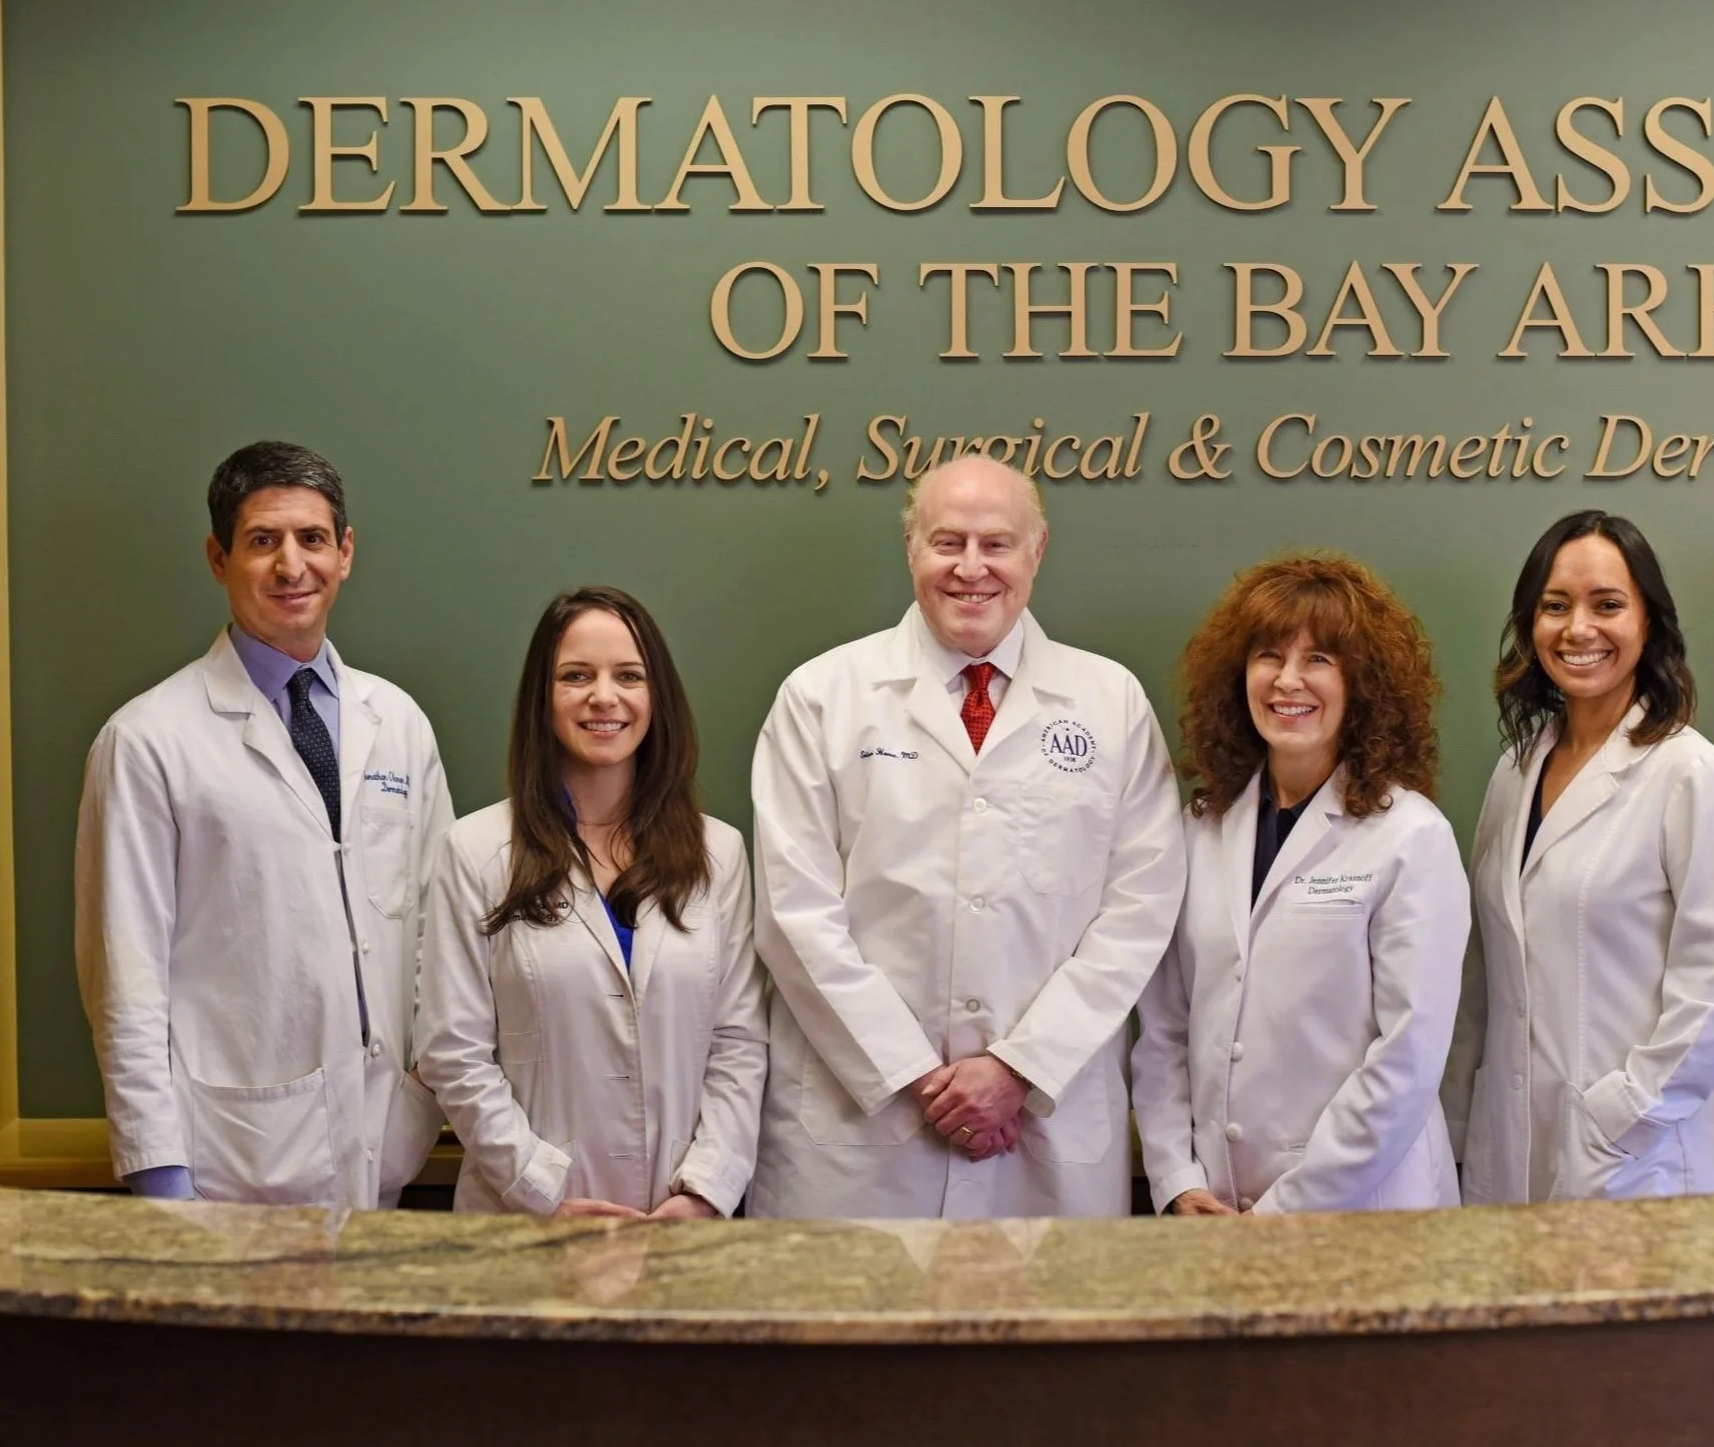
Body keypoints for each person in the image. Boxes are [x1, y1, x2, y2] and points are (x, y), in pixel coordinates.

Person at [745, 454, 1185, 1219]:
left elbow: (1140, 911)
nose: (971, 568)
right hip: (862, 1136)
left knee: (1045, 1302)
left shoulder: (1111, 702)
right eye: (947, 542)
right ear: (911, 548)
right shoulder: (820, 697)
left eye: (997, 543)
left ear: (1037, 550)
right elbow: (795, 914)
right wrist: (919, 1075)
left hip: (1045, 1126)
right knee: (847, 1300)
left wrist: (1019, 1068)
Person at [75, 441, 451, 1206]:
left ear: (345, 552)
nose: (291, 565)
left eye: (312, 538)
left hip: (386, 1145)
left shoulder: (399, 722)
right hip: (224, 1163)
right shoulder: (147, 741)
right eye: (262, 541)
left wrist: (421, 1100)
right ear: (219, 558)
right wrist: (161, 1179)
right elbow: (125, 975)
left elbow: (439, 931)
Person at [1133, 555, 1468, 1216]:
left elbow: (1407, 1057)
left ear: (1362, 683)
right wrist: (1175, 1177)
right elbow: (1165, 1025)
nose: (1288, 680)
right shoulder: (1201, 828)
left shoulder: (1411, 837)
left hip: (1364, 1208)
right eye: (1268, 655)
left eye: (1319, 658)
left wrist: (1287, 1208)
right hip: (1214, 1204)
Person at [1445, 511, 1714, 1203]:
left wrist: (1619, 1116)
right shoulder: (1515, 770)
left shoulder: (1693, 773)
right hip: (1512, 1144)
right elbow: (1484, 976)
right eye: (1556, 606)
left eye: (1608, 604)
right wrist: (1460, 1125)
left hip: (1638, 1158)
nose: (1579, 628)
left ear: (1650, 623)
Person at [417, 588, 764, 1218]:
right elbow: (453, 1052)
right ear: (541, 697)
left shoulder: (720, 853)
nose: (604, 697)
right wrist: (544, 1195)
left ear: (657, 696)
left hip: (678, 1222)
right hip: (525, 1224)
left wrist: (705, 1192)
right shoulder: (474, 851)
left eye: (629, 676)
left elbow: (738, 1042)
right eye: (576, 676)